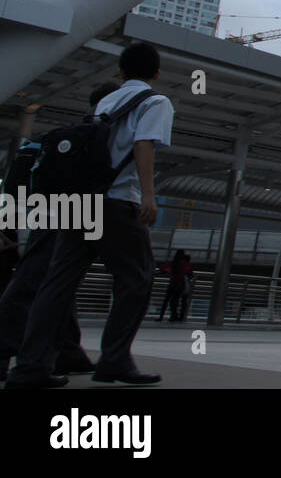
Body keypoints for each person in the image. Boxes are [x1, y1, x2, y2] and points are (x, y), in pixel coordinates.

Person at [6, 44, 171, 389]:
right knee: (137, 279)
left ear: (120, 72)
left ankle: (30, 366)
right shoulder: (156, 102)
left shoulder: (105, 102)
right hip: (116, 202)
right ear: (156, 73)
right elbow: (144, 145)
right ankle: (114, 360)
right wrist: (149, 196)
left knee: (57, 284)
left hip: (78, 204)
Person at [1, 96, 108, 383]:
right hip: (74, 213)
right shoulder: (96, 135)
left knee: (57, 282)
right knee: (33, 281)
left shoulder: (61, 135)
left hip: (50, 212)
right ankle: (7, 352)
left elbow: (16, 180)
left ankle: (68, 352)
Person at [157, 250, 193, 322]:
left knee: (168, 300)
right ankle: (180, 317)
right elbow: (190, 273)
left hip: (173, 283)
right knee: (180, 301)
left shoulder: (173, 263)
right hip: (182, 284)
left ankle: (164, 316)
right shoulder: (185, 264)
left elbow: (162, 269)